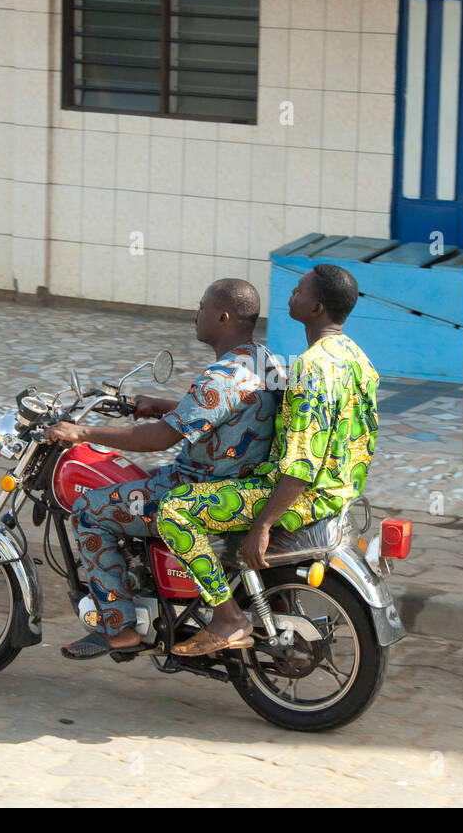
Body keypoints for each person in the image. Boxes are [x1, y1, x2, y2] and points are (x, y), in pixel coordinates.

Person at [46, 278, 284, 660]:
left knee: (89, 510)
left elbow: (158, 440)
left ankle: (119, 629)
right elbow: (223, 414)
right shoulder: (263, 360)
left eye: (203, 306)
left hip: (194, 488)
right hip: (240, 484)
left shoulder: (220, 376)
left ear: (222, 316)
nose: (197, 314)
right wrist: (162, 405)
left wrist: (82, 432)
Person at [157, 263, 379, 656]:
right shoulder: (356, 357)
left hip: (303, 496)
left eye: (299, 291)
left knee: (174, 511)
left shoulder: (312, 367)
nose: (291, 295)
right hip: (340, 492)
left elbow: (302, 462)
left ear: (317, 308)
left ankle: (226, 618)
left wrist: (265, 522)